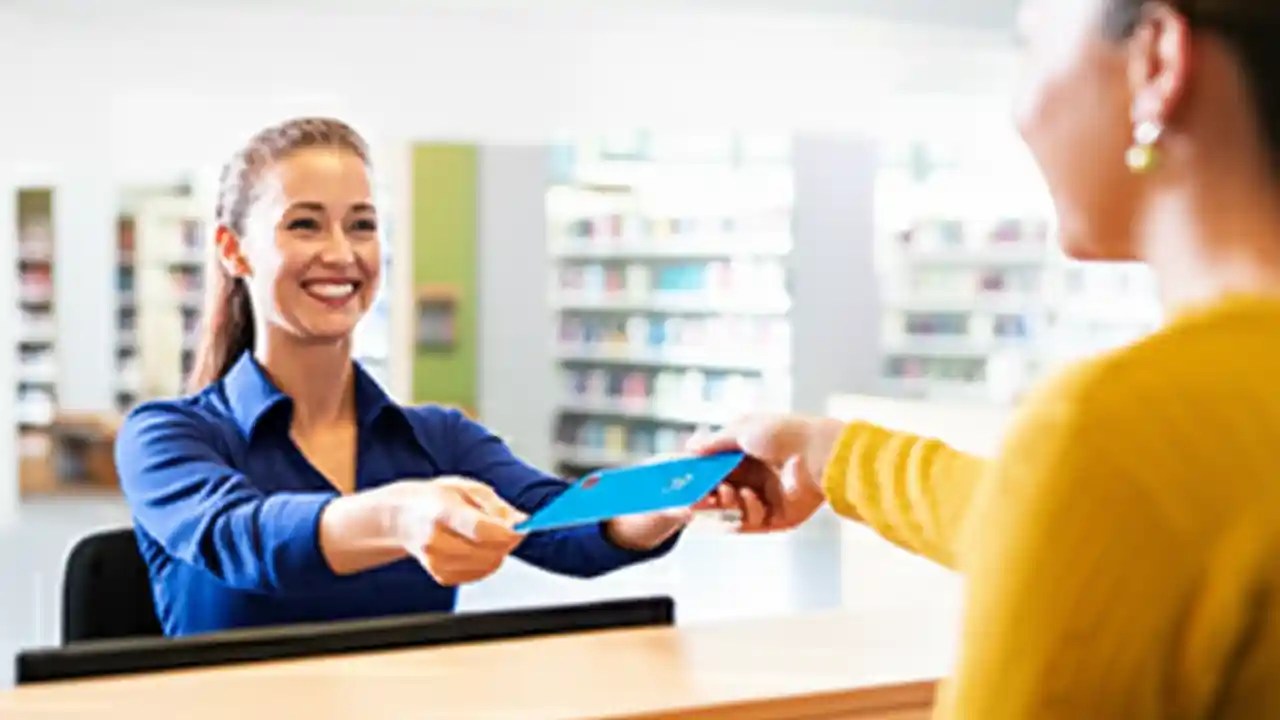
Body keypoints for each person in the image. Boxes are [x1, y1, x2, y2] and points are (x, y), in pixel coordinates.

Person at [691, 1, 1280, 717]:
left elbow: (1098, 513)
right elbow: (1067, 532)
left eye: (1029, 48)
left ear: (1155, 61)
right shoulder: (1173, 447)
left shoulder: (1124, 433)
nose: (1018, 112)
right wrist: (829, 455)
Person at [115, 117, 688, 637]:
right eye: (305, 225)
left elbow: (559, 522)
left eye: (362, 226)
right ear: (233, 251)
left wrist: (679, 487)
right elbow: (245, 539)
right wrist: (399, 516)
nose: (341, 253)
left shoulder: (438, 440)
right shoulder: (166, 437)